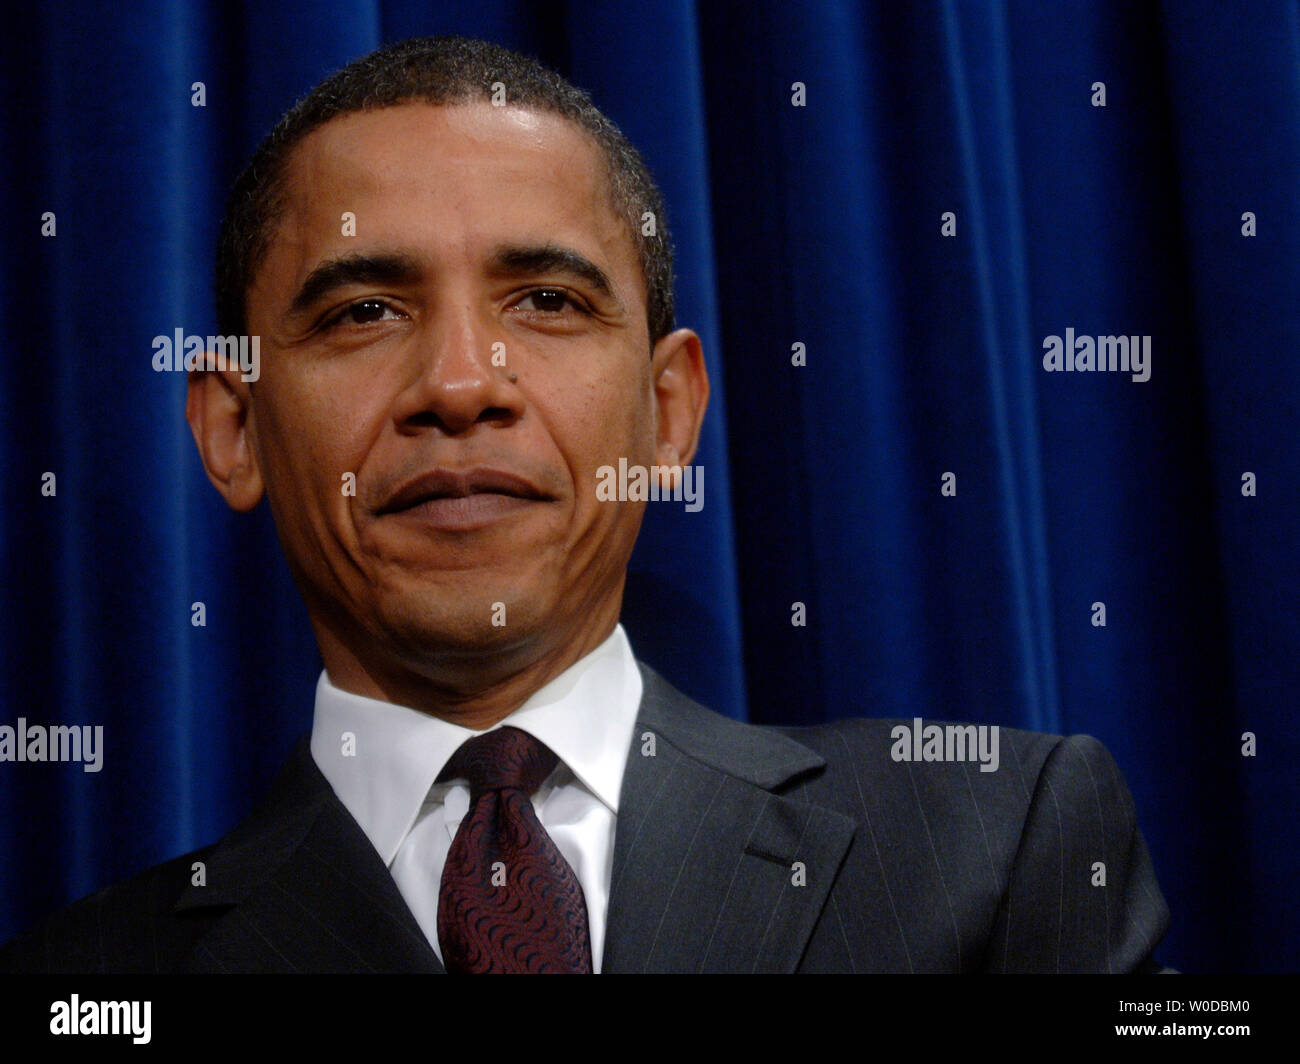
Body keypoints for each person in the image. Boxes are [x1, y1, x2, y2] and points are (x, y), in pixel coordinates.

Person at [0, 36, 1170, 974]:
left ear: (668, 413)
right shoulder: (91, 983)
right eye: (363, 312)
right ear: (233, 427)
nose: (461, 384)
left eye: (547, 300)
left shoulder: (998, 845)